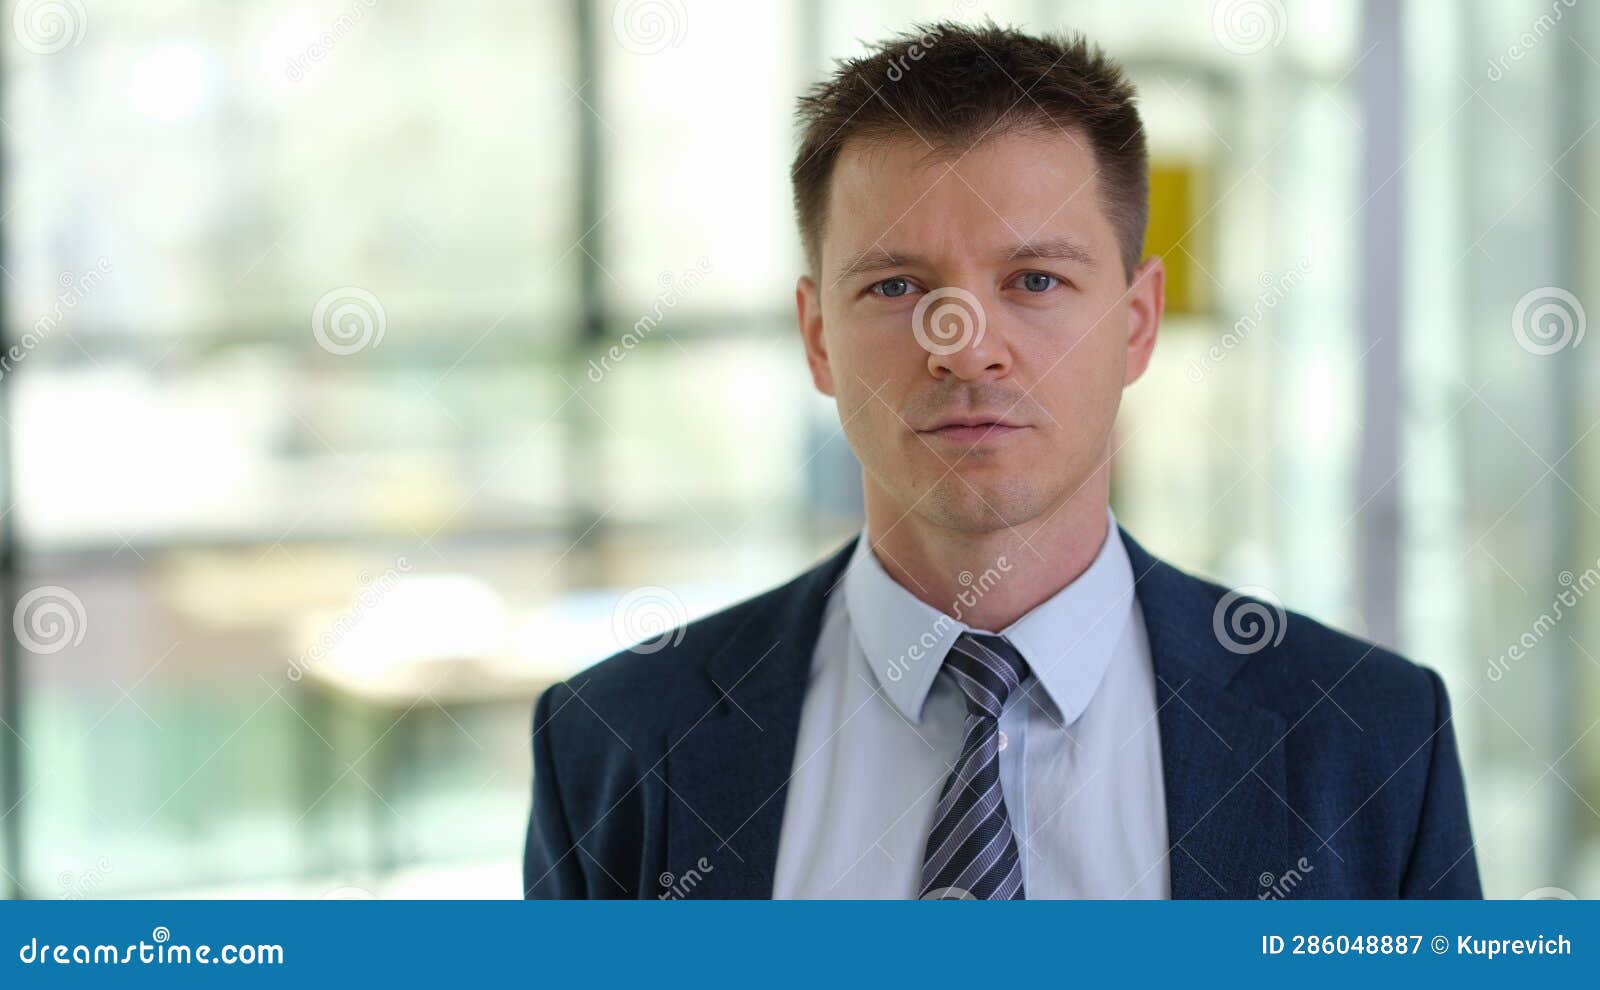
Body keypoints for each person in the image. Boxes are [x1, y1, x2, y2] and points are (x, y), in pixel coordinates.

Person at [523, 21, 1480, 900]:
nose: (966, 344)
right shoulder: (617, 741)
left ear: (1136, 324)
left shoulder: (1372, 738)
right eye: (897, 285)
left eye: (1035, 280)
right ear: (818, 338)